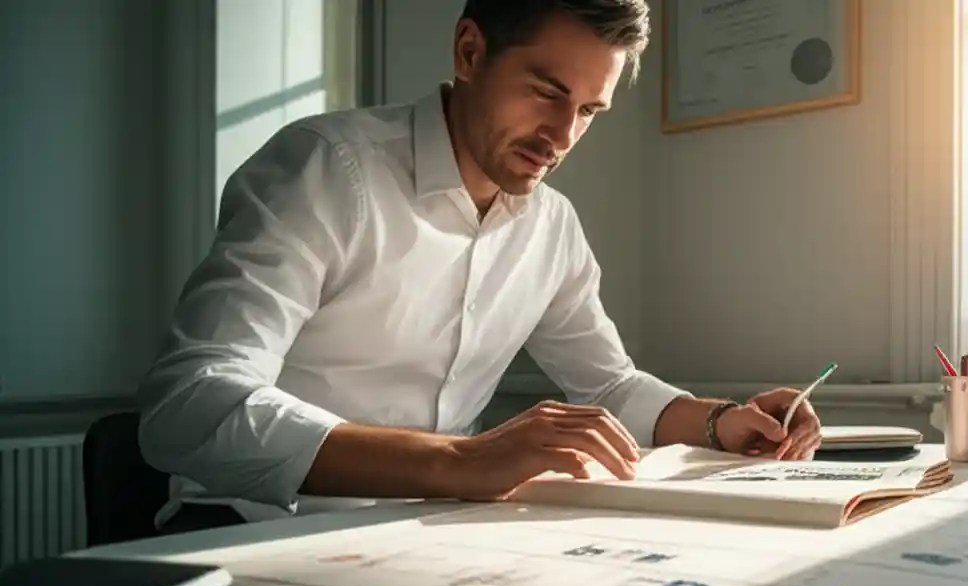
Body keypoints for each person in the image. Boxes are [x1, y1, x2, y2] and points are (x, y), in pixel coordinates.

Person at [138, 0, 823, 533]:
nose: (562, 136)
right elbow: (191, 403)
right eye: (546, 91)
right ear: (470, 52)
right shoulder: (325, 169)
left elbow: (609, 386)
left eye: (588, 111)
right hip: (246, 528)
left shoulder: (551, 226)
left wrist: (722, 422)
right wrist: (463, 460)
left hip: (428, 534)